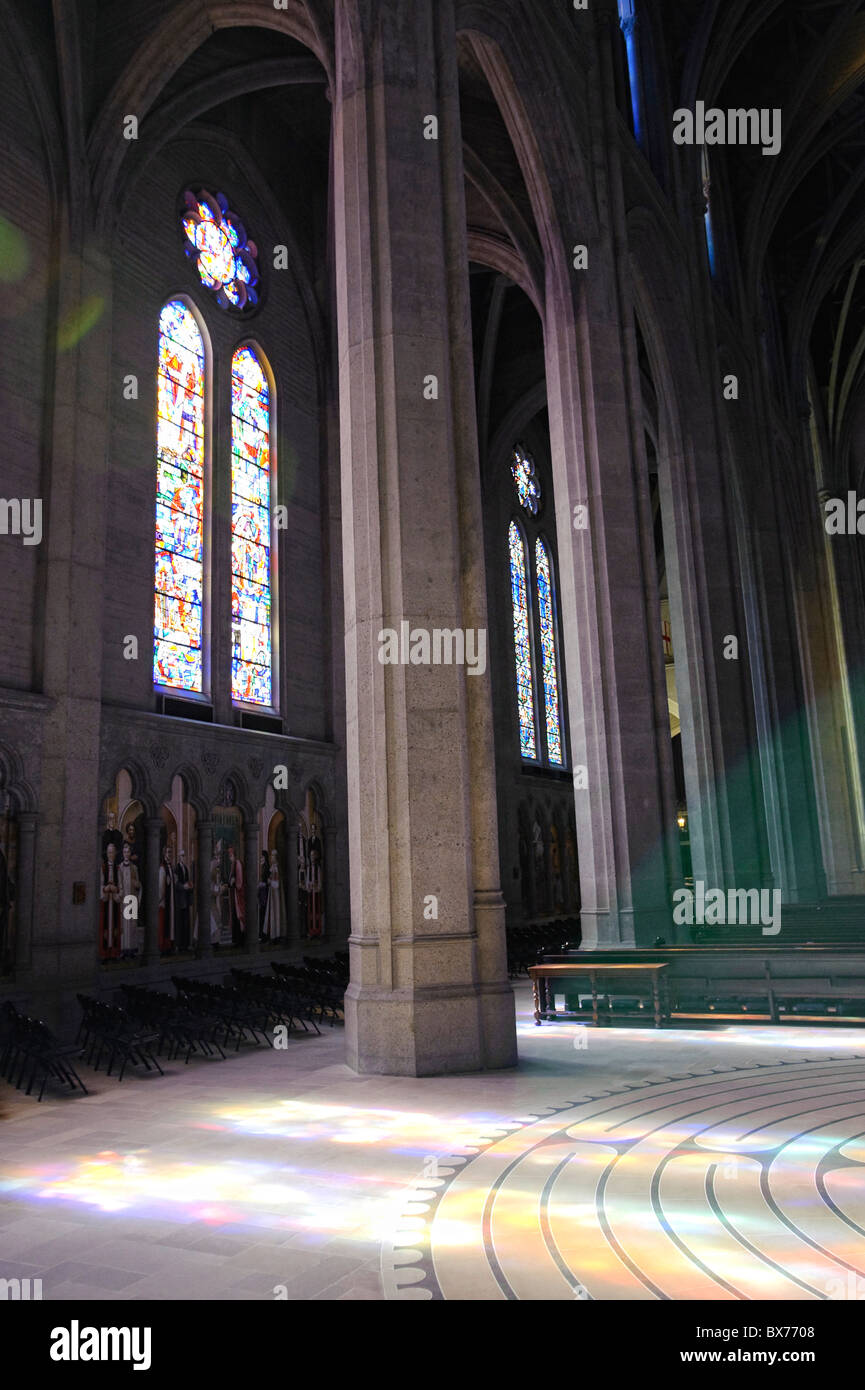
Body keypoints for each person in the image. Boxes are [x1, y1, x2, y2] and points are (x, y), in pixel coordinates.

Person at [117, 841, 142, 955]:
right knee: (124, 924)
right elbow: (119, 883)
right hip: (124, 899)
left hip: (132, 899)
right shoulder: (120, 868)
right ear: (123, 853)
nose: (126, 854)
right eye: (125, 852)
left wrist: (136, 883)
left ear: (130, 853)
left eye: (128, 852)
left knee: (132, 924)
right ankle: (124, 948)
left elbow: (138, 884)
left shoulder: (134, 867)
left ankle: (132, 948)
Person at [100, 842, 121, 959]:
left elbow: (121, 886)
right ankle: (104, 953)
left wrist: (117, 889)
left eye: (112, 852)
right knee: (105, 926)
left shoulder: (118, 868)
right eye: (109, 852)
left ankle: (114, 952)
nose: (110, 855)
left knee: (115, 927)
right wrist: (105, 888)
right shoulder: (103, 868)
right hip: (106, 901)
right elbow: (100, 884)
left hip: (116, 901)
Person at [262, 849, 286, 940]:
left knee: (276, 913)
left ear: (276, 857)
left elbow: (276, 884)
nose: (271, 857)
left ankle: (276, 934)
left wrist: (269, 881)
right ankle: (274, 934)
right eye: (271, 856)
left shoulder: (276, 868)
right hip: (273, 894)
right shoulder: (273, 867)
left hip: (276, 895)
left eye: (273, 856)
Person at [227, 843, 245, 946]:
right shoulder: (234, 863)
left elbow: (238, 881)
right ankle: (237, 939)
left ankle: (239, 940)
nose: (230, 857)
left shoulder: (237, 863)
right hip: (235, 894)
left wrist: (231, 883)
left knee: (239, 916)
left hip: (238, 895)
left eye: (230, 854)